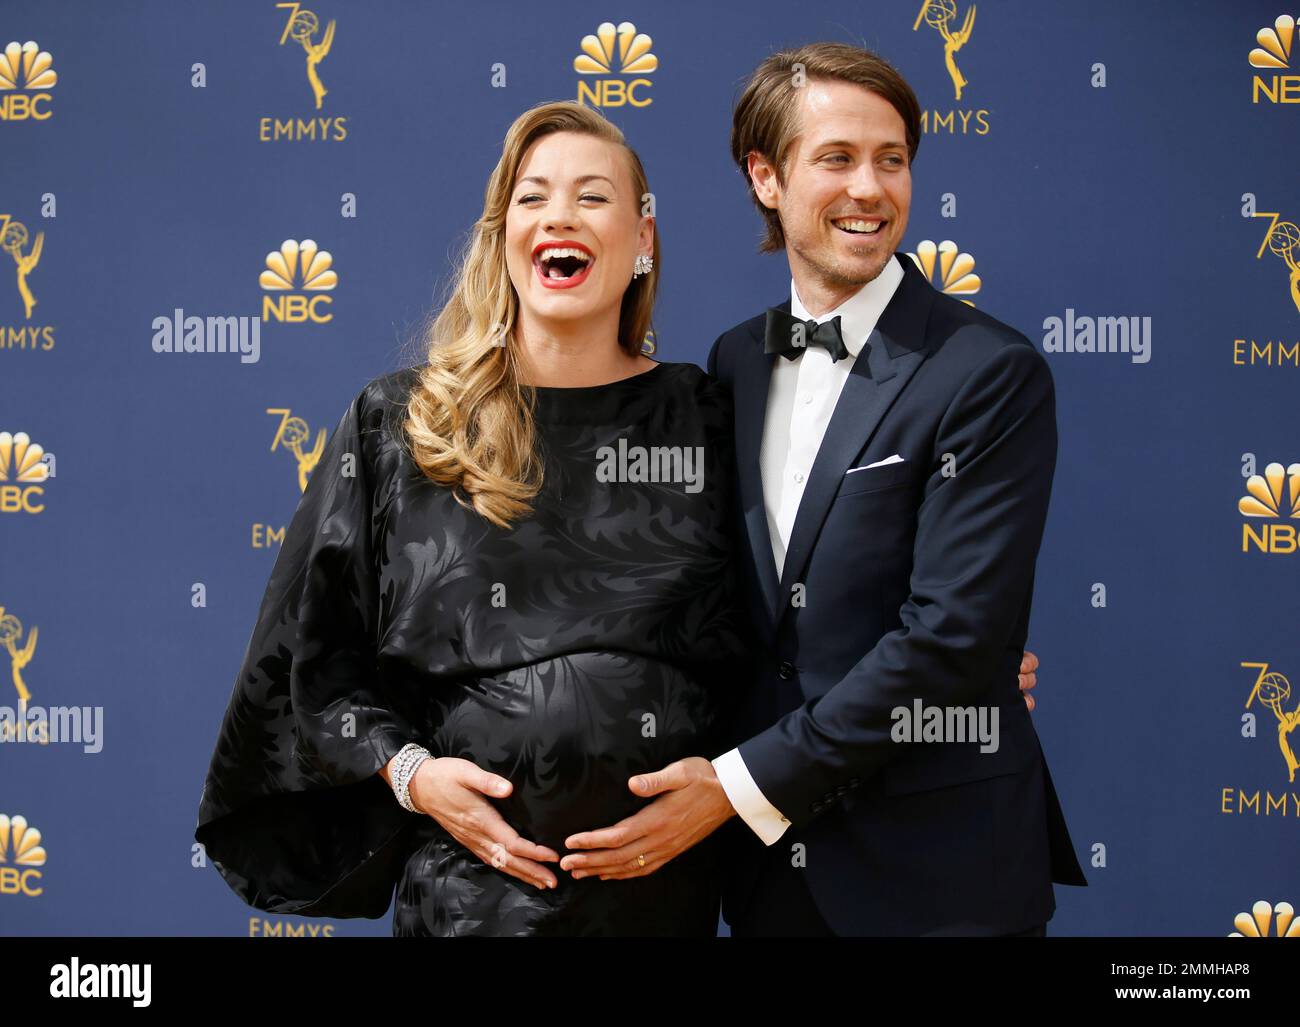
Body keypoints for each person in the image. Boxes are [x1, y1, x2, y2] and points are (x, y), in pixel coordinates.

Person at [558, 43, 1086, 936]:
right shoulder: (733, 361)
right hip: (768, 884)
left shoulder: (989, 371)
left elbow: (953, 636)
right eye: (837, 158)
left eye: (892, 159)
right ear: (766, 176)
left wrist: (732, 787)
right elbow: (720, 600)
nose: (871, 189)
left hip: (939, 873)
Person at [194, 100, 747, 936]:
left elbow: (801, 615)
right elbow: (313, 662)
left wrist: (983, 656)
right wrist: (413, 774)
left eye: (593, 197)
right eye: (533, 197)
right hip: (468, 905)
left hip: (661, 901)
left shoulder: (712, 419)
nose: (560, 214)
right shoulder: (399, 425)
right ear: (501, 239)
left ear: (644, 240)